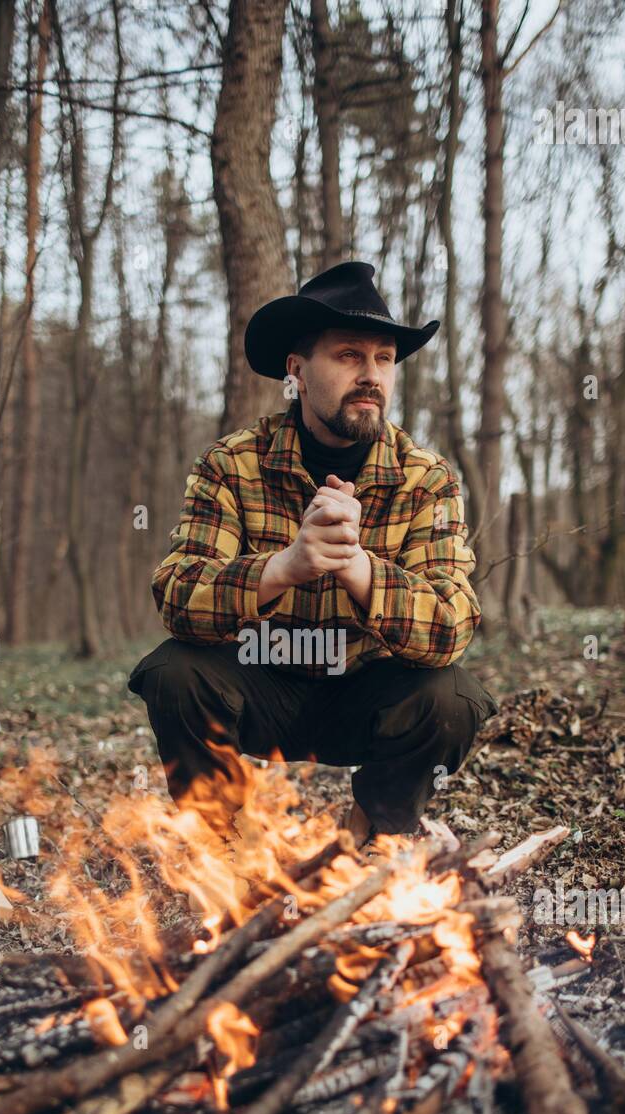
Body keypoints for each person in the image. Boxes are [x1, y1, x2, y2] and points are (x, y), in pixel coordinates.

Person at [129, 261, 497, 848]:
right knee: (174, 672)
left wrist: (358, 568)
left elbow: (451, 625)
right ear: (297, 371)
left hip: (365, 693)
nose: (371, 375)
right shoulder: (232, 464)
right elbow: (177, 594)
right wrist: (283, 568)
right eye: (349, 355)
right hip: (262, 683)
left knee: (451, 698)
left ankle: (375, 830)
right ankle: (220, 849)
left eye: (383, 358)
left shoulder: (426, 478)